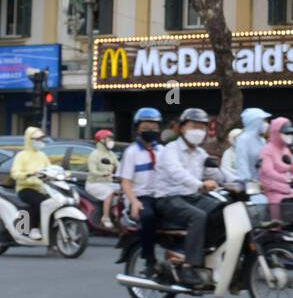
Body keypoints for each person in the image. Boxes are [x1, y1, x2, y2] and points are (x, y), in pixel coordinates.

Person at [155, 108, 228, 287]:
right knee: (198, 216)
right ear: (181, 128)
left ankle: (206, 253)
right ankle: (189, 265)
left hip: (191, 197)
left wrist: (244, 181)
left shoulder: (201, 153)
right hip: (169, 198)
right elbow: (176, 172)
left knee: (224, 210)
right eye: (194, 126)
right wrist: (200, 184)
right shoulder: (170, 150)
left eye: (203, 127)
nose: (199, 131)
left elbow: (218, 174)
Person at [119, 107, 163, 277]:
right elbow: (125, 181)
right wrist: (134, 202)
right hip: (140, 197)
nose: (150, 131)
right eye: (146, 127)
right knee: (148, 216)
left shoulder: (163, 151)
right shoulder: (131, 152)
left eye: (154, 127)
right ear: (138, 128)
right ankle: (149, 260)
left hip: (160, 196)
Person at [10, 127, 51, 237]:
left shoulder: (42, 155)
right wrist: (28, 174)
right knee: (40, 202)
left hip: (42, 188)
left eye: (41, 139)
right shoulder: (21, 156)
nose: (40, 142)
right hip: (25, 188)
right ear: (29, 140)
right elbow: (15, 173)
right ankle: (33, 229)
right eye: (37, 139)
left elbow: (50, 169)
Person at [258, 117, 293, 207]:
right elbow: (268, 171)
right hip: (273, 190)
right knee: (292, 208)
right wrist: (287, 178)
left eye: (291, 133)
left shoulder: (286, 149)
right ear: (276, 133)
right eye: (286, 133)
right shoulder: (267, 150)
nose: (289, 136)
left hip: (287, 189)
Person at [86, 129, 121, 228]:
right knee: (109, 192)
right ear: (101, 140)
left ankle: (116, 213)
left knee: (122, 192)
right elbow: (92, 170)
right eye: (109, 139)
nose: (111, 141)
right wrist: (102, 174)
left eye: (111, 139)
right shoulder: (94, 154)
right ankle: (105, 217)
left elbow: (119, 165)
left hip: (108, 183)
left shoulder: (111, 154)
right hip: (94, 183)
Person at [233, 107, 271, 195]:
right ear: (255, 122)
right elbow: (242, 164)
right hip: (251, 188)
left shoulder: (262, 141)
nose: (266, 124)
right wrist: (250, 182)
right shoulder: (243, 140)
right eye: (264, 121)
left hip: (265, 186)